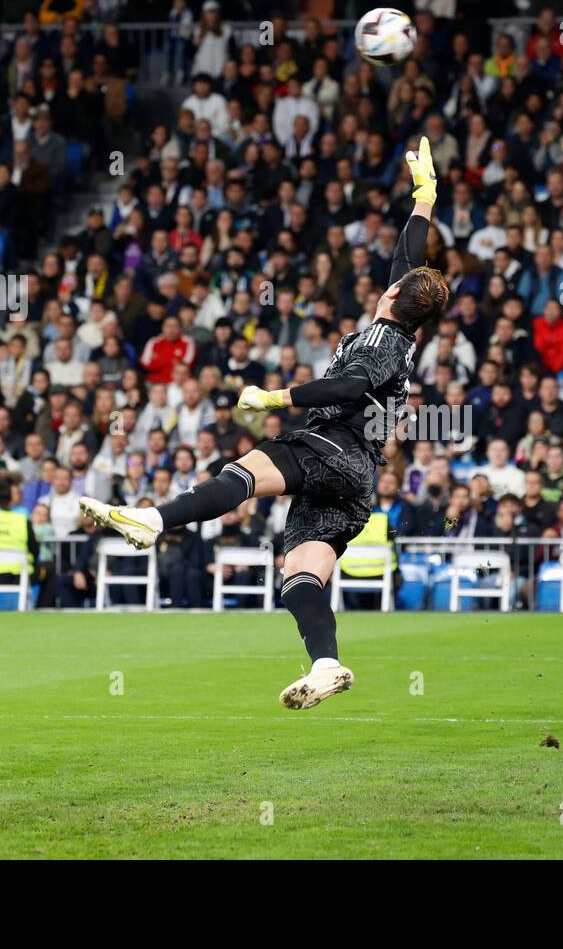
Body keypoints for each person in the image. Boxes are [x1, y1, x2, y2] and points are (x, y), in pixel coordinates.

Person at [80, 137, 450, 709]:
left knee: (246, 469)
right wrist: (423, 201)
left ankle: (154, 519)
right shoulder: (404, 331)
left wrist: (278, 397)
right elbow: (408, 262)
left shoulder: (381, 339)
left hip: (333, 447)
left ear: (395, 294)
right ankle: (327, 663)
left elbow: (351, 386)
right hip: (355, 481)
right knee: (301, 575)